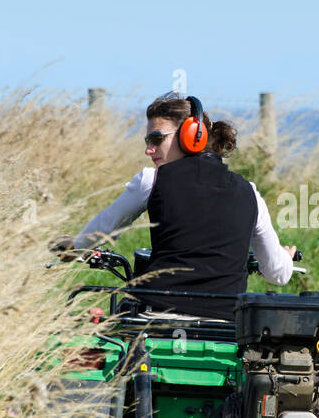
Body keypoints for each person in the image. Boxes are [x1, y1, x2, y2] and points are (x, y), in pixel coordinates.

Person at [49, 93, 295, 321]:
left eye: (156, 139)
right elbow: (278, 275)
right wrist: (285, 257)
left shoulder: (151, 180)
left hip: (156, 318)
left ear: (191, 137)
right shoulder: (250, 192)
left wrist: (73, 248)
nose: (148, 149)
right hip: (225, 324)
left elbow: (99, 233)